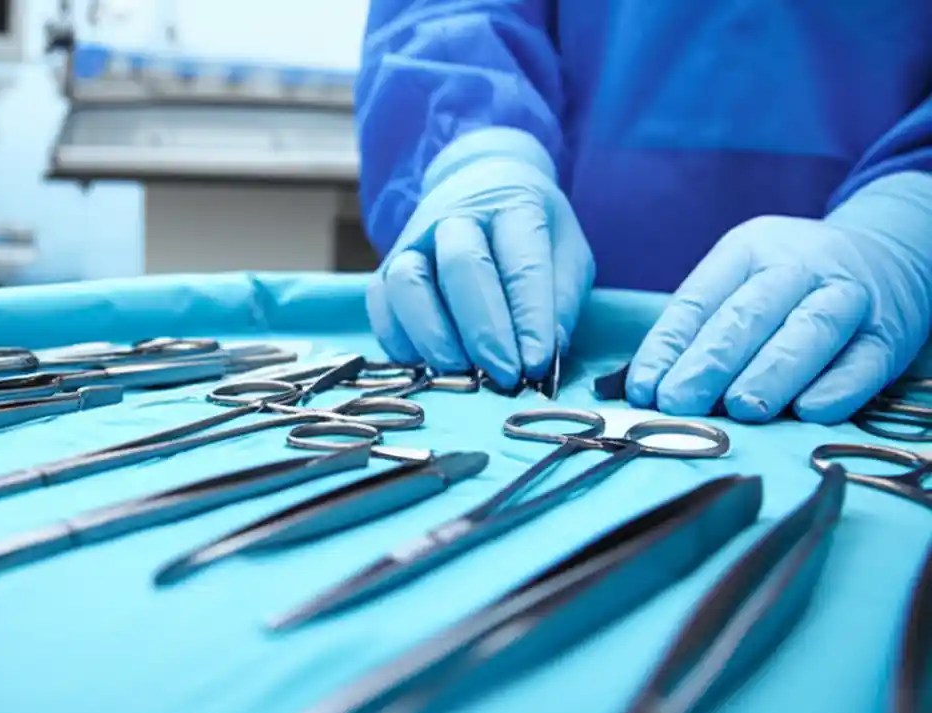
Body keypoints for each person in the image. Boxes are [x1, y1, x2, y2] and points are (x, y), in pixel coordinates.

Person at [358, 0, 932, 423]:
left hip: (878, 359)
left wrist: (907, 225)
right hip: (563, 321)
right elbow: (449, 17)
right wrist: (476, 153)